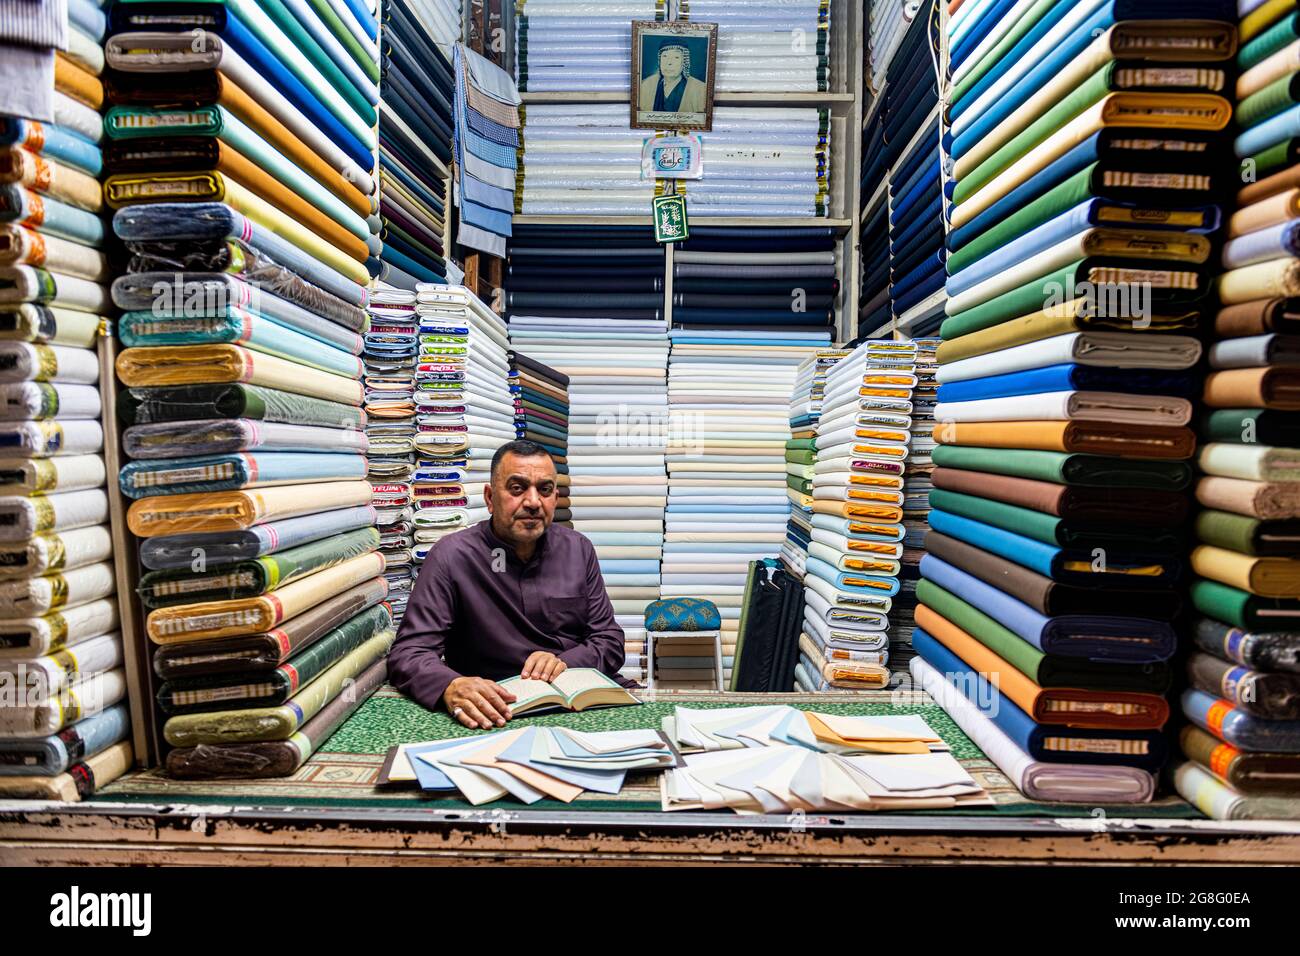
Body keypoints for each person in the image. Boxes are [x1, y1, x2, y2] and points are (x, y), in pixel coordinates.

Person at [389, 440, 628, 729]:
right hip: (496, 710)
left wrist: (565, 661)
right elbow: (409, 653)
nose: (532, 502)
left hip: (578, 699)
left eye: (545, 489)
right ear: (490, 498)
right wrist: (450, 686)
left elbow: (610, 640)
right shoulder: (452, 557)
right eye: (517, 488)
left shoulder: (578, 549)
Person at [639, 42, 707, 115]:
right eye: (664, 56)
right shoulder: (644, 85)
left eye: (676, 57)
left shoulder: (700, 89)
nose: (669, 62)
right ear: (659, 60)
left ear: (684, 62)